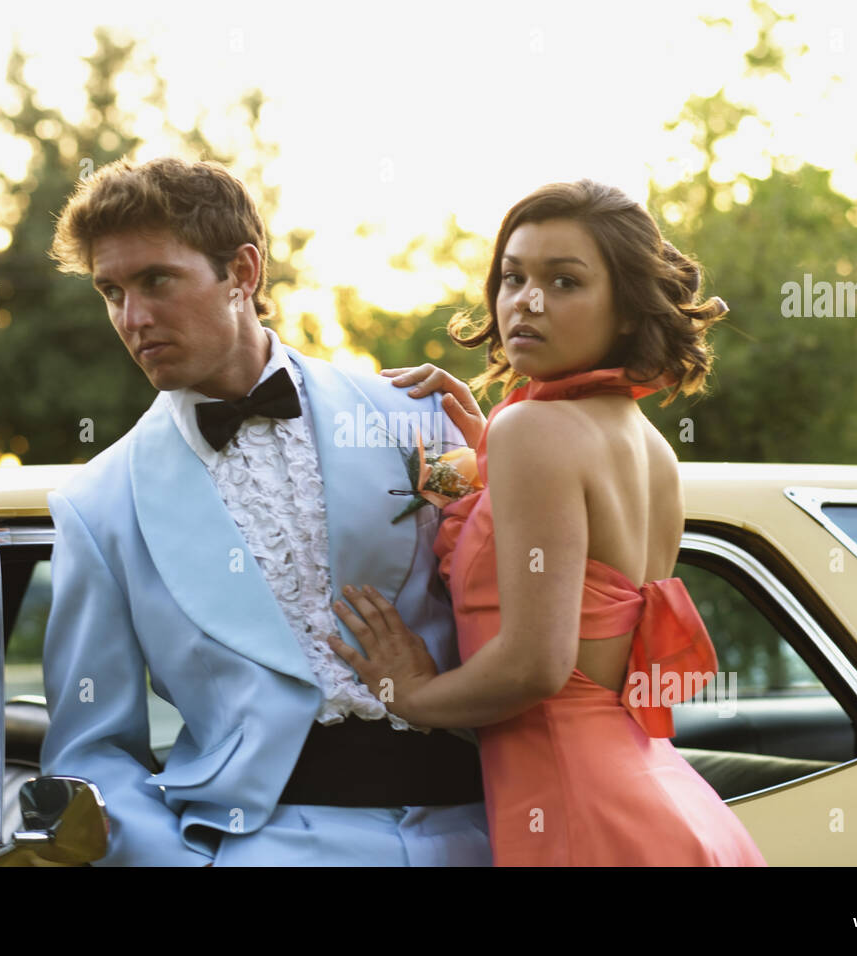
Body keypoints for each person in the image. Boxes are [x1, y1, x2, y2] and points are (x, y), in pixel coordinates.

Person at [39, 155, 490, 866]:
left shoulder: (416, 418)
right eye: (111, 291)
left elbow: (513, 613)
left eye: (156, 280)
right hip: (263, 845)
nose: (133, 317)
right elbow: (90, 754)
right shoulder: (97, 505)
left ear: (242, 273)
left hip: (479, 832)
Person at [328, 180, 768, 866]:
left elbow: (537, 663)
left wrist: (410, 694)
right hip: (665, 803)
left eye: (564, 281)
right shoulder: (648, 444)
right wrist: (475, 447)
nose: (526, 301)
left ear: (625, 310)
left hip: (579, 815)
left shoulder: (535, 431)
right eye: (513, 277)